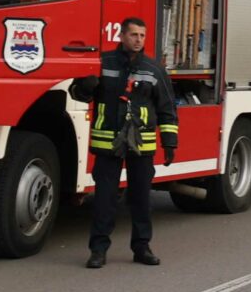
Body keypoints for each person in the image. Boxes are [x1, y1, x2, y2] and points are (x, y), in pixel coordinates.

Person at [69, 16, 178, 270]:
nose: (138, 40)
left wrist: (170, 142)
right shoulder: (102, 62)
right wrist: (86, 86)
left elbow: (167, 107)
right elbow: (77, 94)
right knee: (104, 200)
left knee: (140, 198)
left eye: (142, 35)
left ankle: (142, 248)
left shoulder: (154, 69)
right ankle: (98, 251)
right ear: (121, 36)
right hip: (107, 144)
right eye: (133, 35)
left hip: (141, 144)